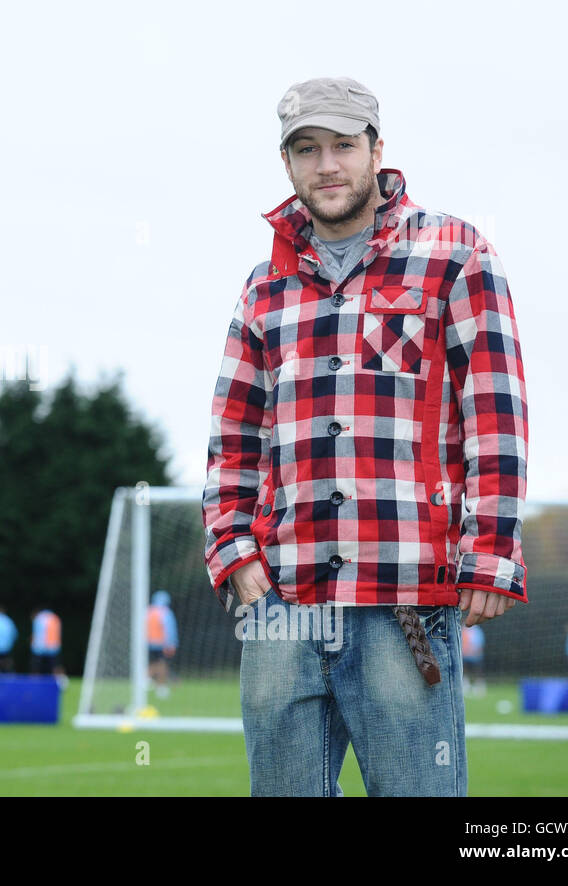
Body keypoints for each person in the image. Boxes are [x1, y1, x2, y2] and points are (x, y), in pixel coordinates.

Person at [203, 77, 528, 797]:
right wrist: (233, 553)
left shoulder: (456, 255)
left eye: (344, 146)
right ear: (286, 163)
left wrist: (493, 549)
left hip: (404, 596)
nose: (327, 166)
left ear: (377, 151)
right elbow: (233, 436)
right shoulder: (264, 288)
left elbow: (495, 412)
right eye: (307, 149)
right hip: (281, 604)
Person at [146, 591, 178, 699]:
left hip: (147, 643)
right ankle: (161, 687)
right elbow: (170, 629)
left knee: (153, 663)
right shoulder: (165, 612)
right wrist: (171, 644)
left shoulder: (148, 611)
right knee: (162, 665)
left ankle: (147, 680)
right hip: (161, 643)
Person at [30, 607, 66, 686]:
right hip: (54, 647)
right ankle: (62, 682)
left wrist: (33, 645)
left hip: (39, 648)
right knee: (56, 666)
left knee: (36, 667)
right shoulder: (55, 617)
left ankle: (34, 682)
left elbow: (36, 634)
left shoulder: (38, 618)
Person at [461, 622, 486, 695]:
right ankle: (465, 685)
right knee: (463, 669)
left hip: (475, 656)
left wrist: (474, 651)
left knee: (478, 670)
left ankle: (479, 686)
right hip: (464, 655)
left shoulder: (477, 630)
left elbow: (480, 643)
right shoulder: (462, 630)